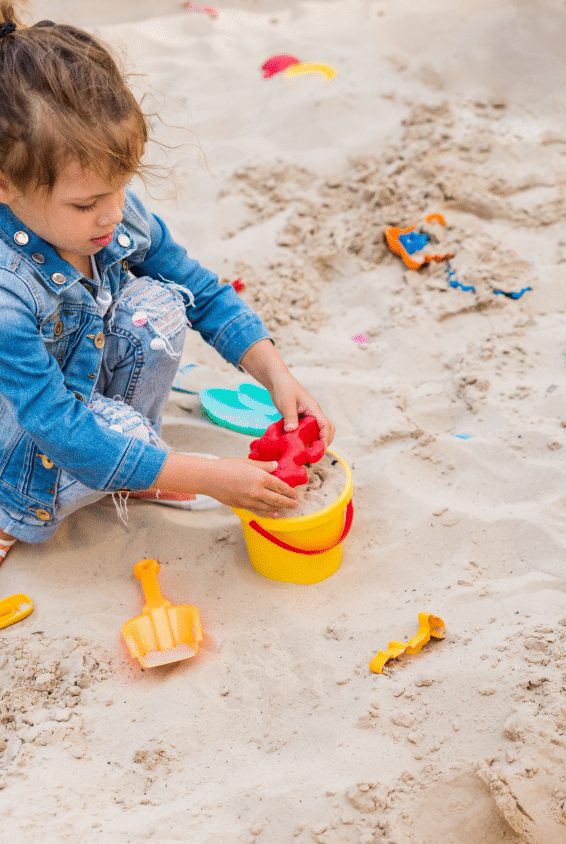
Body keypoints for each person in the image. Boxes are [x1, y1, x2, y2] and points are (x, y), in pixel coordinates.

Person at [0, 4, 334, 563]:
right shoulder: (8, 292)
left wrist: (276, 373)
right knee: (85, 436)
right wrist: (208, 475)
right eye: (86, 203)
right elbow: (56, 423)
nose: (112, 215)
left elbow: (200, 291)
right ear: (6, 185)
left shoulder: (113, 214)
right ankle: (14, 508)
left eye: (120, 188)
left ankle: (133, 468)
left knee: (157, 303)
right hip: (28, 444)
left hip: (89, 410)